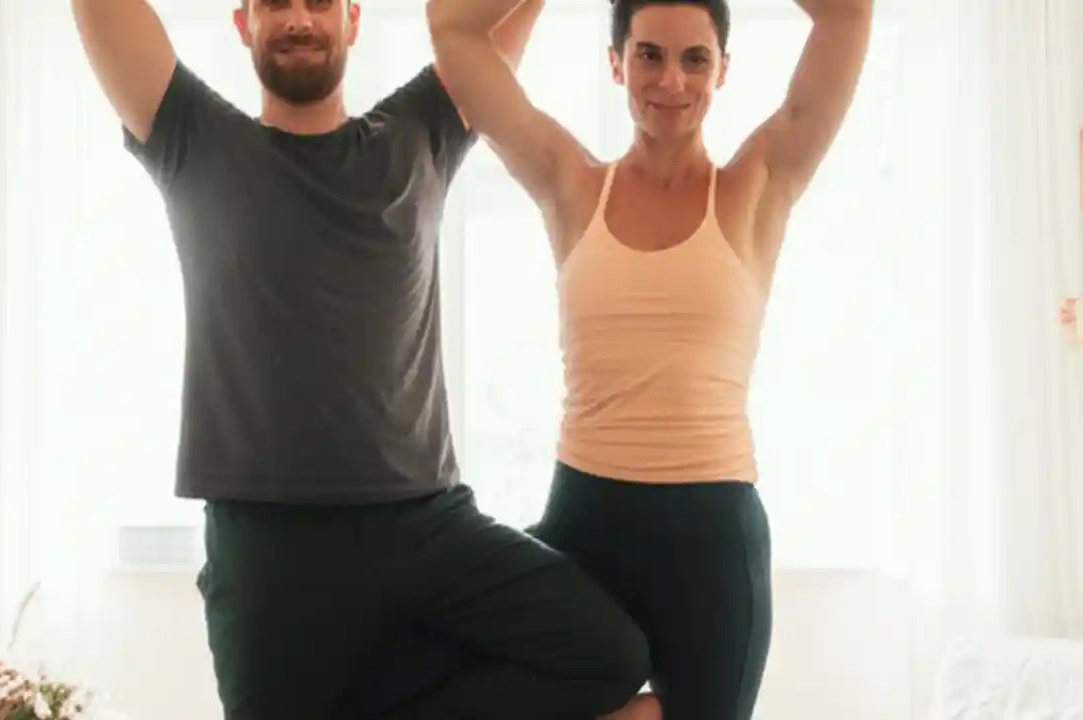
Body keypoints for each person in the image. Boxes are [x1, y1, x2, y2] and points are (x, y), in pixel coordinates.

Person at [71, 0, 663, 718]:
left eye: (319, 2)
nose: (298, 18)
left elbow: (492, 34)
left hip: (425, 526)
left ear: (352, 19)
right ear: (242, 24)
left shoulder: (419, 130)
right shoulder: (198, 140)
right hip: (270, 551)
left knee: (611, 658)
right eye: (275, 4)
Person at [364, 0, 871, 718]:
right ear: (616, 63)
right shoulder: (570, 182)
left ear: (723, 69)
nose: (671, 80)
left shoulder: (758, 184)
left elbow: (847, 16)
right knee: (408, 670)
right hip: (584, 523)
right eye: (649, 55)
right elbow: (453, 27)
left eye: (695, 58)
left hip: (712, 544)